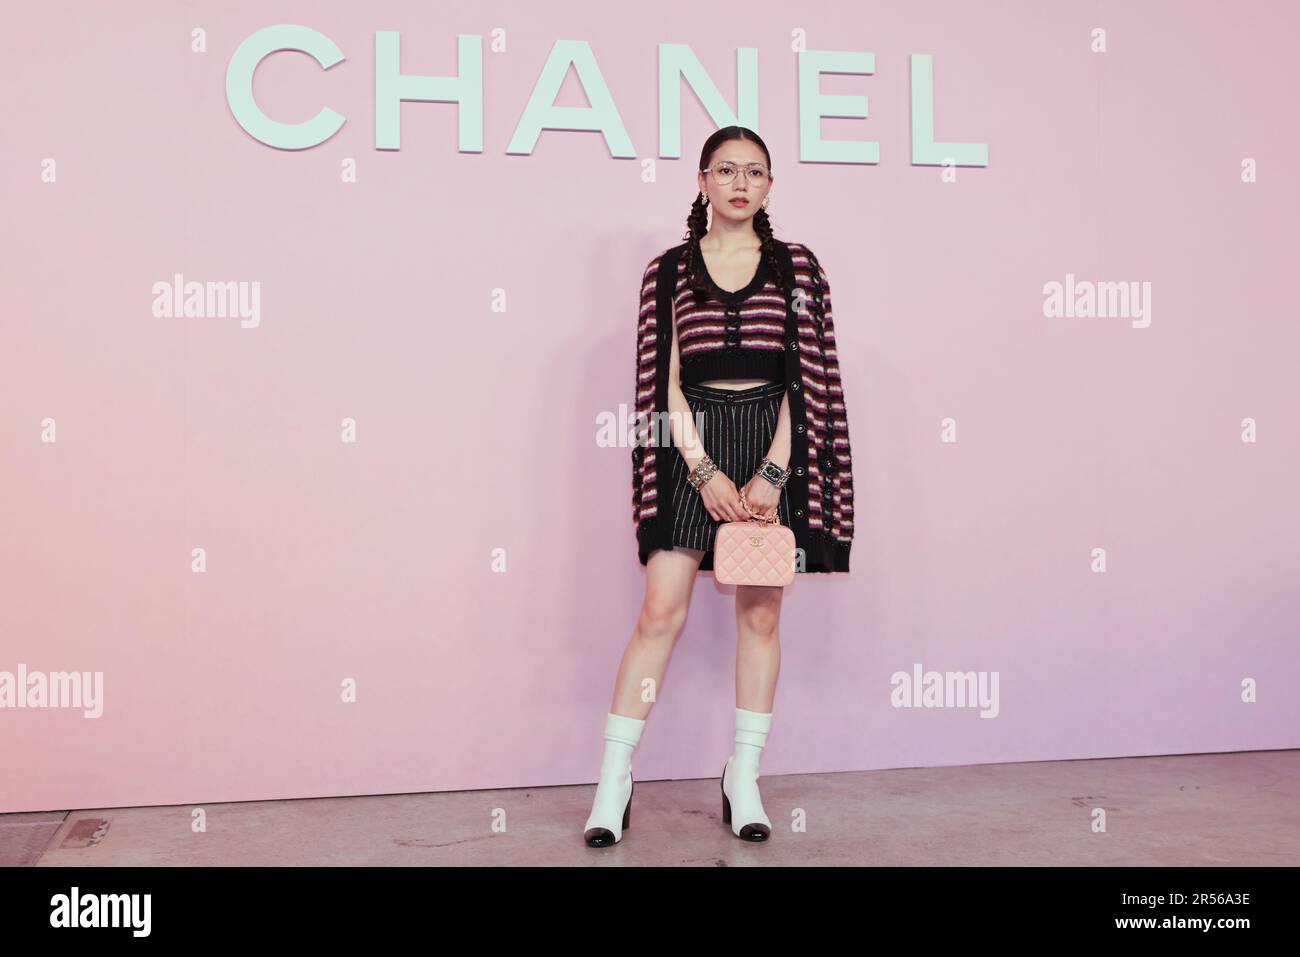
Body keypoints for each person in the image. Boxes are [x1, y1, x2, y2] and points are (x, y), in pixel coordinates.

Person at [584, 125, 856, 846]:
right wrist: (701, 469)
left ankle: (744, 776)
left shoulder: (797, 267)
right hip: (690, 444)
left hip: (775, 443)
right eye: (726, 169)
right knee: (659, 611)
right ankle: (615, 778)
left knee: (761, 616)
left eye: (755, 171)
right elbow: (662, 381)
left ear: (770, 186)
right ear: (703, 180)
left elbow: (810, 379)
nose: (740, 182)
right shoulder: (667, 271)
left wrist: (774, 472)